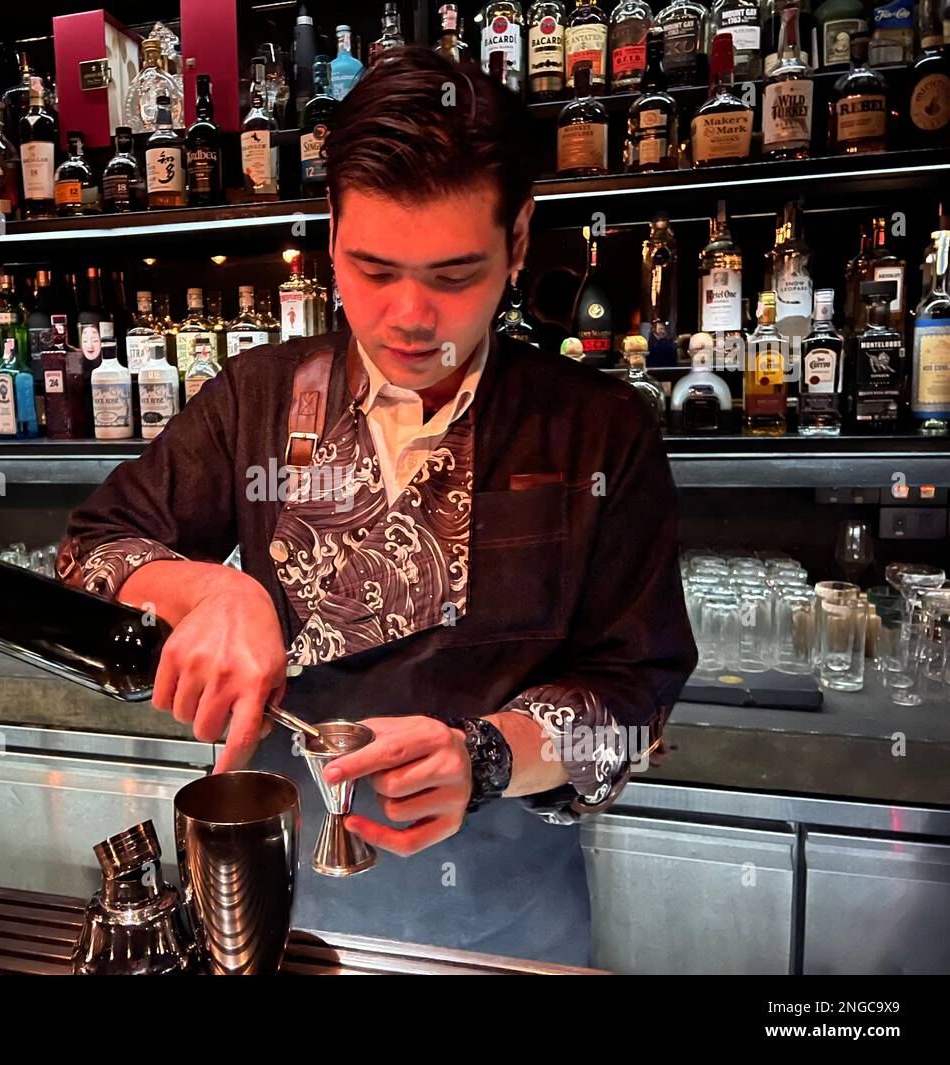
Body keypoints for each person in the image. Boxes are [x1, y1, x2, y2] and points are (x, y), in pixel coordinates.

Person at [58, 47, 697, 965]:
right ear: (331, 231)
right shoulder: (258, 398)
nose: (409, 317)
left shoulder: (598, 429)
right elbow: (93, 549)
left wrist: (488, 754)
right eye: (373, 268)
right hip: (271, 906)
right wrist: (207, 590)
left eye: (454, 275)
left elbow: (636, 695)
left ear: (518, 239)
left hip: (505, 920)